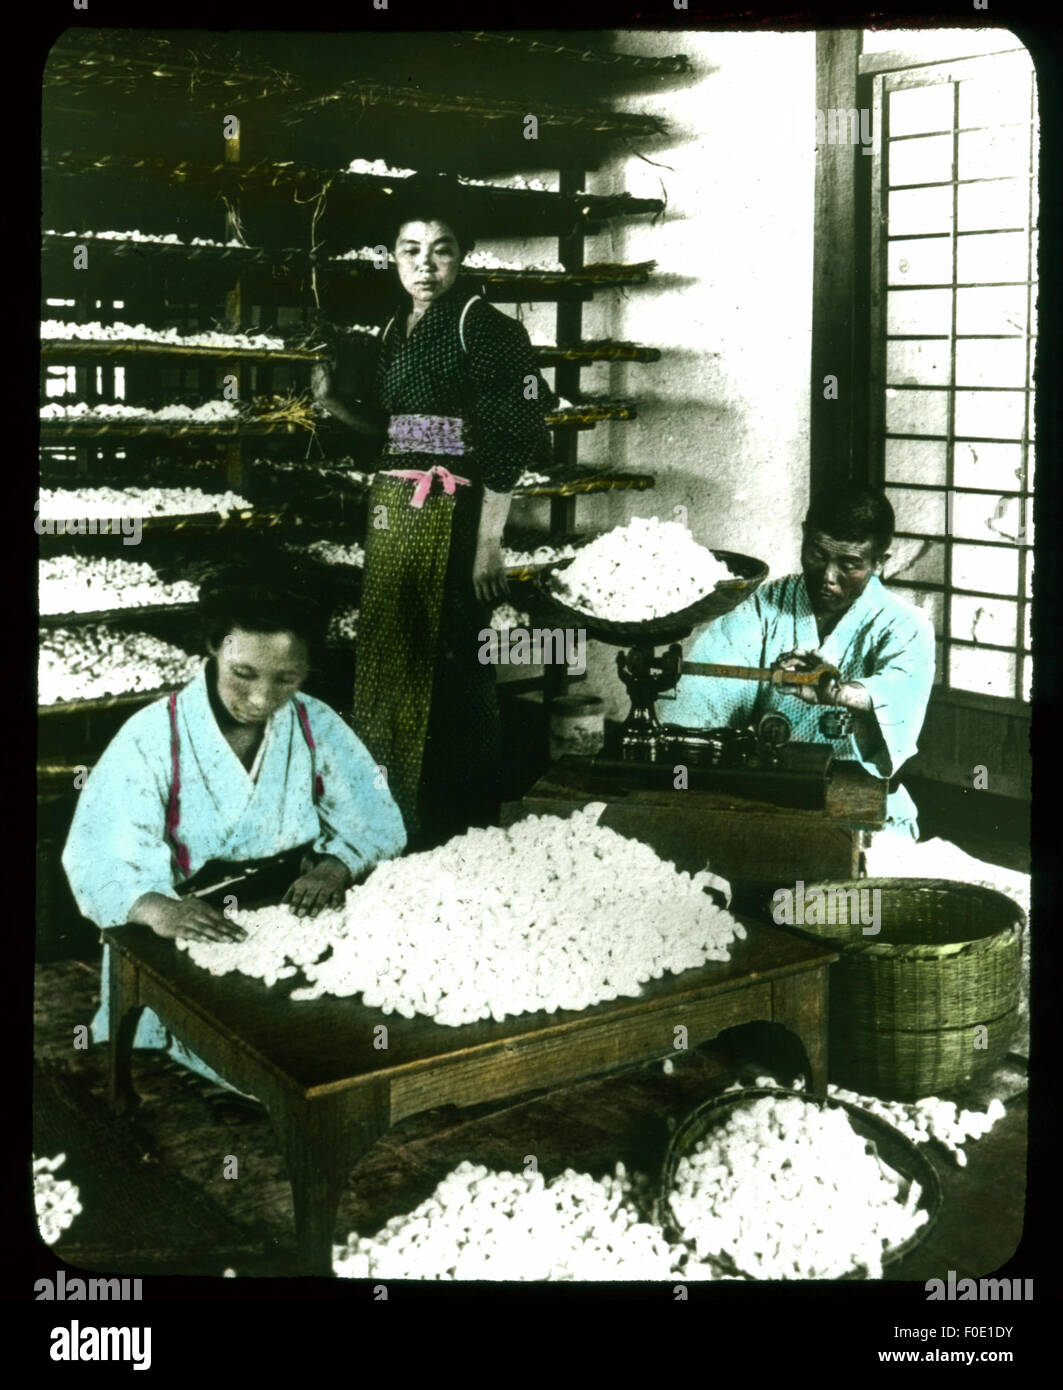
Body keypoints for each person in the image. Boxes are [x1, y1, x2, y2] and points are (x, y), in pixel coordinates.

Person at [61, 564, 407, 1086]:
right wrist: (159, 909)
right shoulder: (153, 735)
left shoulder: (316, 723)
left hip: (291, 906)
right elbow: (99, 852)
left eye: (287, 679)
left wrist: (335, 866)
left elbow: (374, 815)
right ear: (212, 648)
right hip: (186, 922)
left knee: (357, 1036)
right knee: (268, 1064)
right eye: (243, 674)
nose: (263, 698)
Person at [312, 175, 555, 847]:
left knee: (456, 658)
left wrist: (488, 544)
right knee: (396, 653)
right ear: (391, 256)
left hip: (457, 512)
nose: (424, 265)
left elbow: (513, 435)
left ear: (464, 254)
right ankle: (393, 818)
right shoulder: (398, 326)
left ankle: (466, 822)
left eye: (441, 250)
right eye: (408, 249)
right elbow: (400, 435)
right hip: (399, 508)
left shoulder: (486, 326)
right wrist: (334, 407)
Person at [667, 485, 935, 837]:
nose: (828, 576)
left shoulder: (907, 625)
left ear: (879, 563)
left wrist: (836, 692)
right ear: (805, 535)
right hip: (768, 795)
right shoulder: (763, 606)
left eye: (849, 564)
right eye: (817, 554)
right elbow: (705, 697)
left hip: (865, 812)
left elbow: (896, 693)